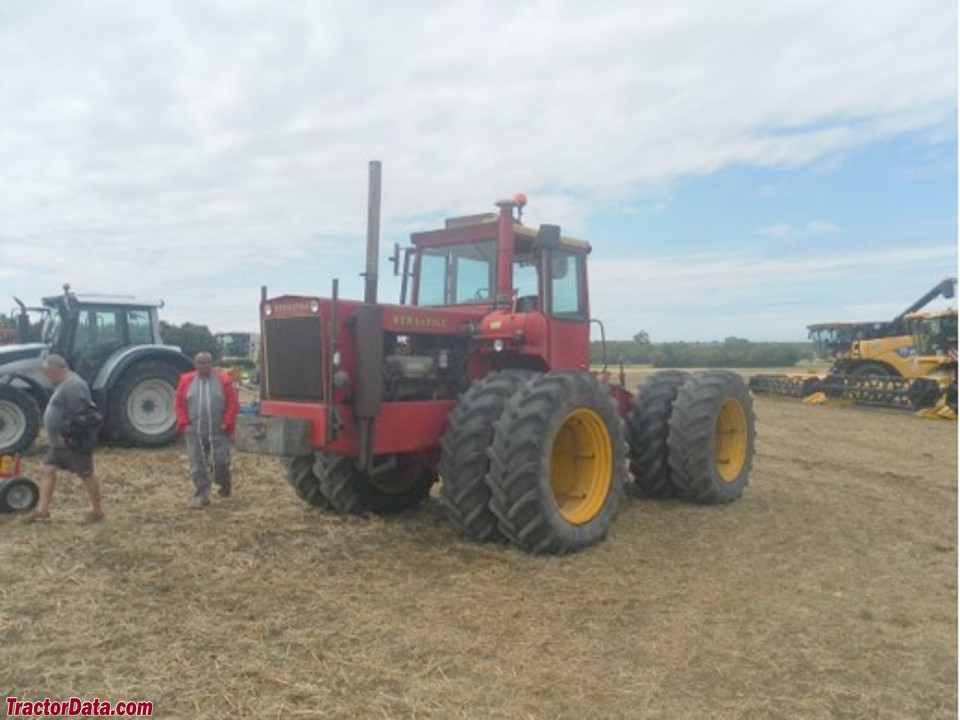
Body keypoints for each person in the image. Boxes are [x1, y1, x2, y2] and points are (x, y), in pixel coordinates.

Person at [23, 354, 104, 524]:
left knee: (86, 474)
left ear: (56, 370)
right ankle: (42, 511)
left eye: (47, 372)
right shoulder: (63, 384)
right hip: (59, 442)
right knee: (47, 469)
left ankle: (97, 512)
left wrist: (68, 435)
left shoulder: (74, 384)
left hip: (73, 440)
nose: (46, 376)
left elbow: (81, 414)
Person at [175, 352, 240, 508]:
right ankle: (202, 495)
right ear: (195, 365)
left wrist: (227, 422)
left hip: (218, 430)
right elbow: (178, 403)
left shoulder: (223, 380)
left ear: (212, 364)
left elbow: (233, 403)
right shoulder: (186, 381)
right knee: (197, 465)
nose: (205, 366)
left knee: (220, 463)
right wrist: (184, 422)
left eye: (207, 362)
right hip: (194, 431)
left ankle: (224, 482)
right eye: (201, 363)